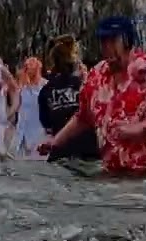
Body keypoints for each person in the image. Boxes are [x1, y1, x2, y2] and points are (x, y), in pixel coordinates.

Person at [38, 16, 146, 174]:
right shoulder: (96, 75)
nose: (107, 47)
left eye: (112, 41)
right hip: (112, 175)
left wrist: (141, 128)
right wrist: (56, 142)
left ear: (127, 41)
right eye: (103, 42)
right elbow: (83, 117)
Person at [37, 34, 99, 163]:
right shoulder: (85, 85)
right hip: (89, 150)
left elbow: (46, 123)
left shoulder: (45, 91)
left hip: (60, 151)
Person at [13, 56, 47, 157]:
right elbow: (17, 106)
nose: (27, 69)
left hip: (38, 129)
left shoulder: (45, 86)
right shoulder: (22, 87)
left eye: (30, 66)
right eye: (26, 66)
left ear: (37, 68)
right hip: (22, 130)